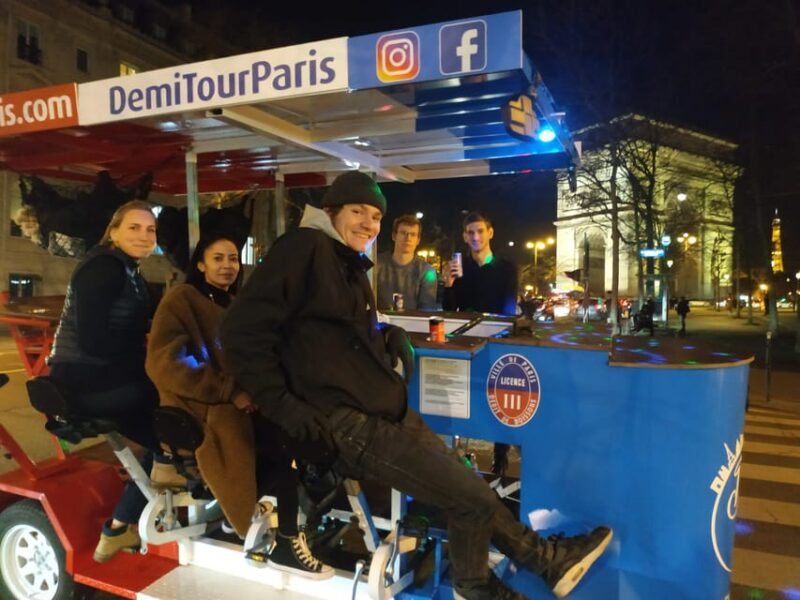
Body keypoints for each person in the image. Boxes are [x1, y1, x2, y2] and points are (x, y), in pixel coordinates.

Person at [221, 171, 612, 600]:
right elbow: (241, 332)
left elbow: (330, 330)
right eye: (357, 212)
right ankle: (479, 585)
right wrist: (285, 407)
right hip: (347, 422)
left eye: (375, 216)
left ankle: (540, 563)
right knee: (468, 496)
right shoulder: (304, 248)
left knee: (469, 489)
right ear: (331, 211)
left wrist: (383, 333)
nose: (369, 224)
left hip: (382, 409)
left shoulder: (344, 259)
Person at [145, 235, 332, 579]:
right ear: (200, 264)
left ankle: (286, 518)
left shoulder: (234, 302)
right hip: (205, 409)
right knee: (284, 440)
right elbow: (164, 363)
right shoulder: (182, 299)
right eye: (218, 258)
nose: (227, 266)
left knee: (299, 427)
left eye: (233, 258)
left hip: (237, 401)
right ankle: (288, 540)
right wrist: (229, 391)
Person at [47, 200, 183, 563]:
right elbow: (94, 341)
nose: (143, 235)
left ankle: (118, 529)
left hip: (95, 376)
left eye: (150, 229)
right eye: (134, 227)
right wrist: (147, 354)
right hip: (84, 381)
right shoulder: (104, 268)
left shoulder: (128, 271)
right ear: (114, 231)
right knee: (179, 416)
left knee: (168, 434)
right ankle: (168, 464)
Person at [443, 211, 519, 475]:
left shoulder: (505, 268)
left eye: (480, 231)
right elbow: (451, 310)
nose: (475, 237)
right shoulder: (460, 266)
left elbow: (508, 308)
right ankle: (461, 455)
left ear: (490, 232)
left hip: (496, 341)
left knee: (499, 399)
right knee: (466, 396)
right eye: (470, 232)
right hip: (467, 341)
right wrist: (449, 285)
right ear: (465, 236)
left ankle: (501, 456)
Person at [376, 214, 438, 311]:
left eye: (412, 234)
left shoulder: (426, 271)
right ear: (394, 236)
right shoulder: (377, 264)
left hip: (412, 324)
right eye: (403, 233)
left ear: (418, 240)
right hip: (380, 323)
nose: (408, 238)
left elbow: (426, 309)